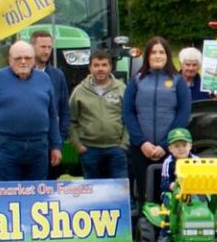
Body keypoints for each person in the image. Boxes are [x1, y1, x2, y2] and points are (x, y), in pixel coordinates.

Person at [0, 41, 62, 182]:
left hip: (39, 147)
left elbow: (52, 115)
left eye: (27, 58)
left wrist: (56, 146)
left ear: (33, 60)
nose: (23, 62)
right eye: (18, 58)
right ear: (10, 59)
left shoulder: (45, 79)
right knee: (7, 190)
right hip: (6, 147)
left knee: (36, 190)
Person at [123, 37, 192, 206]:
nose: (157, 56)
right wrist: (142, 142)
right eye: (153, 52)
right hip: (141, 149)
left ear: (167, 55)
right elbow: (128, 112)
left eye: (161, 52)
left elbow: (183, 113)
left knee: (169, 195)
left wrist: (165, 145)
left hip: (170, 151)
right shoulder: (137, 80)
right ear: (147, 56)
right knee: (143, 194)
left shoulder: (178, 81)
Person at [69, 50, 128, 181]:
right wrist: (78, 145)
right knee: (93, 190)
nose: (100, 69)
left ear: (110, 67)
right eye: (96, 65)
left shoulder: (121, 88)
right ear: (90, 68)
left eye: (104, 65)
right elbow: (71, 120)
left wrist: (124, 145)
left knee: (119, 189)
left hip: (116, 149)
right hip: (90, 150)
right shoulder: (79, 91)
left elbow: (128, 118)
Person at [30, 30, 71, 176]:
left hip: (51, 143)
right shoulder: (22, 74)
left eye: (49, 47)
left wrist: (60, 137)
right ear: (32, 47)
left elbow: (64, 109)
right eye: (43, 47)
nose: (47, 51)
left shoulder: (58, 76)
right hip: (28, 142)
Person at [158, 127, 198, 203]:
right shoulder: (168, 162)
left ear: (190, 146)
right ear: (170, 149)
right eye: (176, 146)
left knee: (199, 202)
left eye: (184, 145)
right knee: (169, 200)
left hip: (191, 191)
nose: (181, 149)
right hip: (171, 192)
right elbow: (164, 184)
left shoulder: (196, 160)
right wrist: (171, 186)